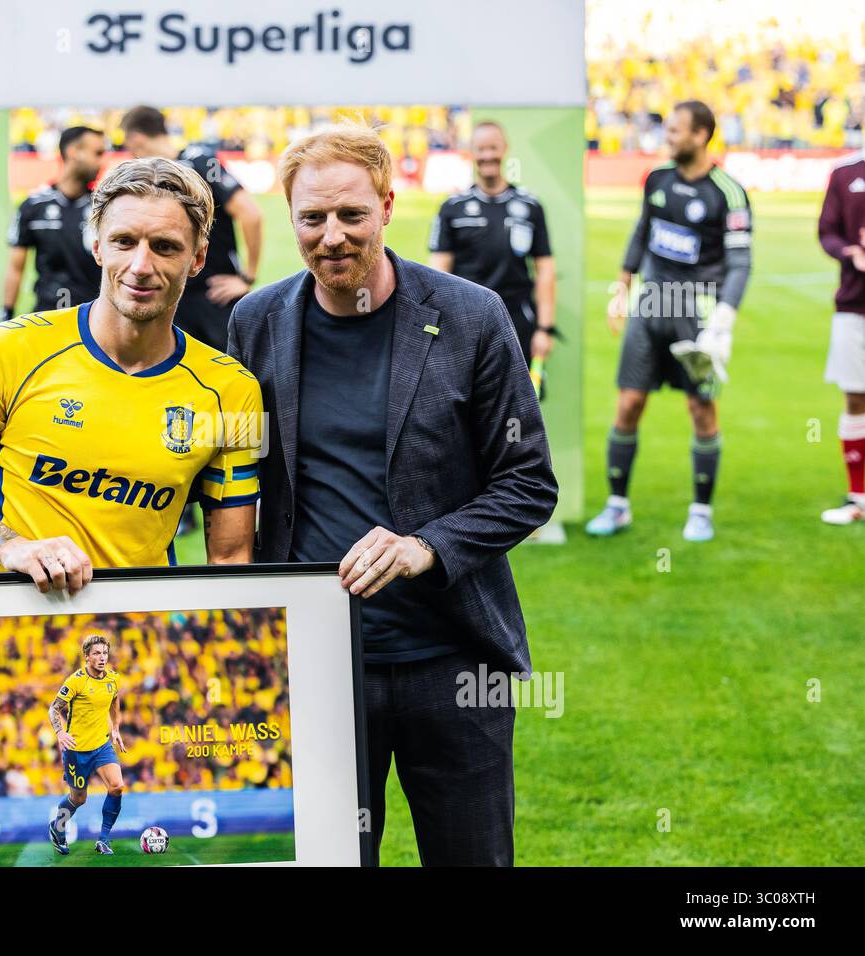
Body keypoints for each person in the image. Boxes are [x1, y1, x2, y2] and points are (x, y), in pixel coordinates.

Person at [228, 125, 557, 866]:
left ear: (386, 206)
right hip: (316, 662)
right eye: (312, 219)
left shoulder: (471, 315)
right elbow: (229, 474)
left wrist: (424, 547)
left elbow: (528, 481)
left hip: (453, 658)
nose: (333, 236)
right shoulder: (256, 320)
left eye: (351, 215)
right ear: (290, 218)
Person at [0, 157, 263, 590]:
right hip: (12, 629)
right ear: (97, 246)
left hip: (140, 635)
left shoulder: (235, 391)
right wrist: (12, 546)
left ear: (198, 257)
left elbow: (231, 558)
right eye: (124, 242)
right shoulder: (7, 350)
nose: (140, 266)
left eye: (165, 246)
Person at [588, 100, 752, 542]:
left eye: (677, 130)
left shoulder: (728, 193)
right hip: (650, 305)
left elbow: (740, 263)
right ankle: (617, 506)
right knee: (628, 405)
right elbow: (642, 231)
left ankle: (700, 511)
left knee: (701, 410)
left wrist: (724, 317)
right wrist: (622, 287)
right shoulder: (658, 179)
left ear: (701, 136)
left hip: (695, 311)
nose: (669, 137)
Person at [119, 105, 262, 352]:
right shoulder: (152, 174)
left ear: (136, 138)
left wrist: (247, 277)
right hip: (172, 295)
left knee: (226, 372)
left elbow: (251, 214)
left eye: (128, 144)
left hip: (212, 295)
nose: (130, 152)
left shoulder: (199, 162)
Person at [429, 121, 558, 370]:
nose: (488, 155)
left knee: (517, 405)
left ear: (505, 148)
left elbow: (545, 270)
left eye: (493, 148)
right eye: (481, 149)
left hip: (518, 319)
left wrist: (545, 328)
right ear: (471, 152)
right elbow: (438, 275)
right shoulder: (452, 208)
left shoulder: (530, 206)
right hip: (465, 319)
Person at [3, 126, 106, 318]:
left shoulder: (104, 207)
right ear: (73, 152)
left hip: (95, 319)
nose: (102, 161)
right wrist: (6, 312)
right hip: (47, 316)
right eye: (97, 153)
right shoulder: (33, 206)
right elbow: (16, 268)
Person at [816, 148, 865, 525]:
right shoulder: (845, 171)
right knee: (855, 396)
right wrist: (849, 252)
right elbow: (826, 232)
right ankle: (858, 497)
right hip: (854, 304)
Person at [47, 634, 126, 856]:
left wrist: (116, 728)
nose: (102, 658)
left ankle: (103, 840)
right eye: (97, 654)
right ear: (87, 657)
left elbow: (114, 700)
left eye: (105, 653)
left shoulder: (112, 679)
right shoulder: (76, 681)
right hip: (77, 750)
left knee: (117, 786)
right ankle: (57, 828)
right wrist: (60, 732)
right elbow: (54, 708)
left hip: (101, 745)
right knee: (78, 798)